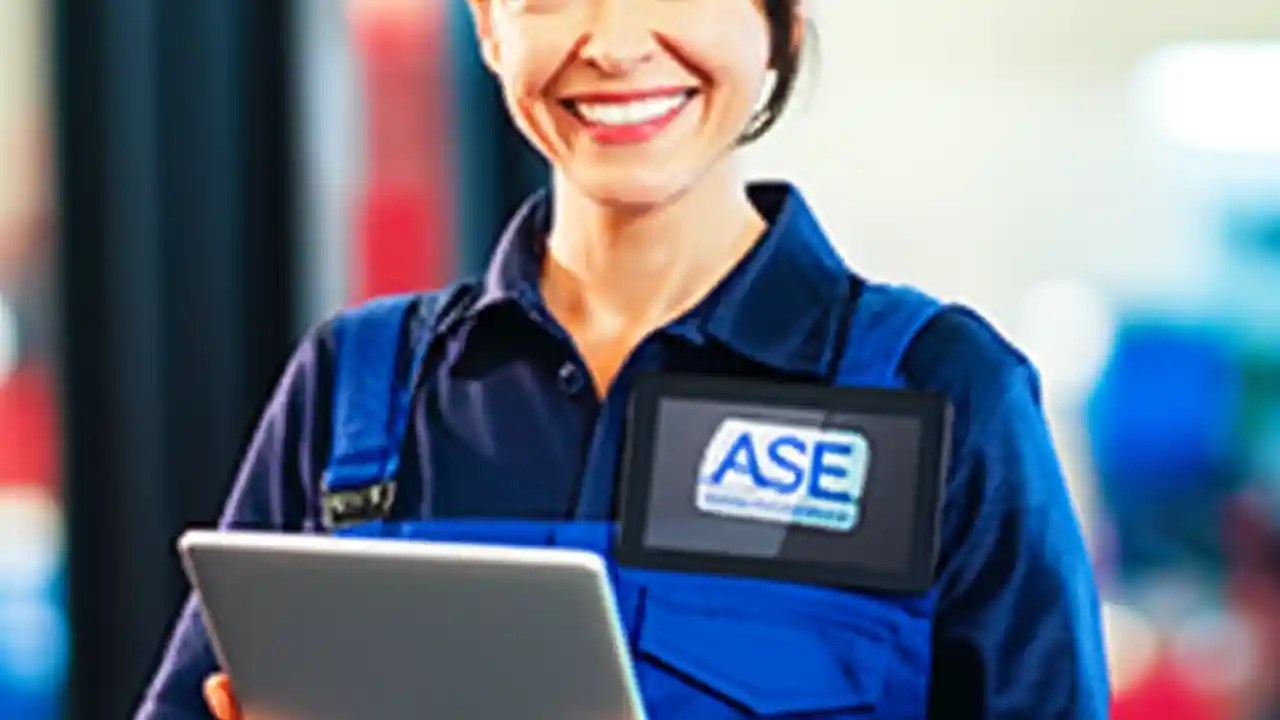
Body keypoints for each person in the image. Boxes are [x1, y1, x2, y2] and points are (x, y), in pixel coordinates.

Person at [137, 0, 1110, 717]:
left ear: (783, 18)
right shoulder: (358, 389)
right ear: (487, 25)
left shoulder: (942, 396)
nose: (613, 42)